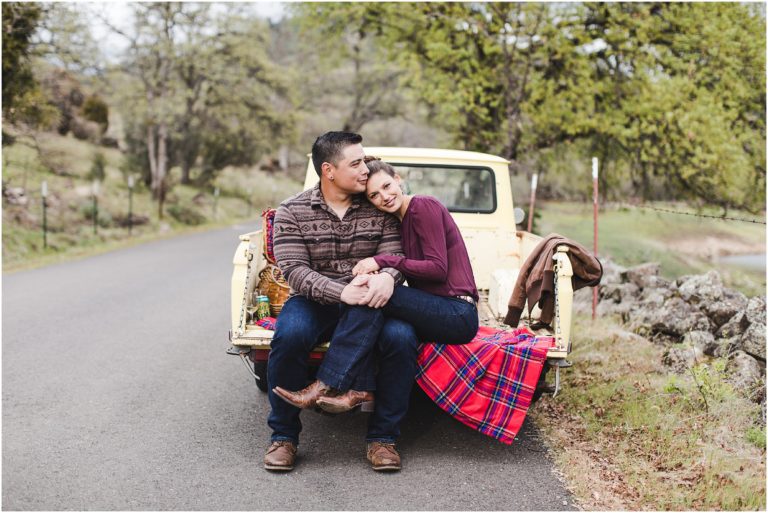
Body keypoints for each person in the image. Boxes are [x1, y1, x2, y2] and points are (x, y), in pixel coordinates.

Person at [265, 131, 419, 473]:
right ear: (328, 170)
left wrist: (386, 279)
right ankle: (284, 436)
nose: (366, 169)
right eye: (356, 163)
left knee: (401, 339)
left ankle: (383, 439)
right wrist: (340, 292)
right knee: (289, 336)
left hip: (369, 300)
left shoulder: (378, 206)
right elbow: (293, 270)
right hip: (314, 299)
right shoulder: (292, 211)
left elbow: (395, 256)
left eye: (364, 160)